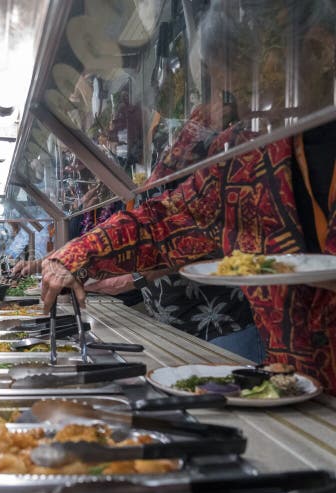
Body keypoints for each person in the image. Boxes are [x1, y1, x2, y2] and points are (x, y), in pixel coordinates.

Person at [41, 0, 336, 392]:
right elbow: (167, 222)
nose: (244, 112)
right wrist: (76, 255)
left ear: (320, 49)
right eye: (235, 93)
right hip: (300, 392)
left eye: (255, 91)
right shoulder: (245, 156)